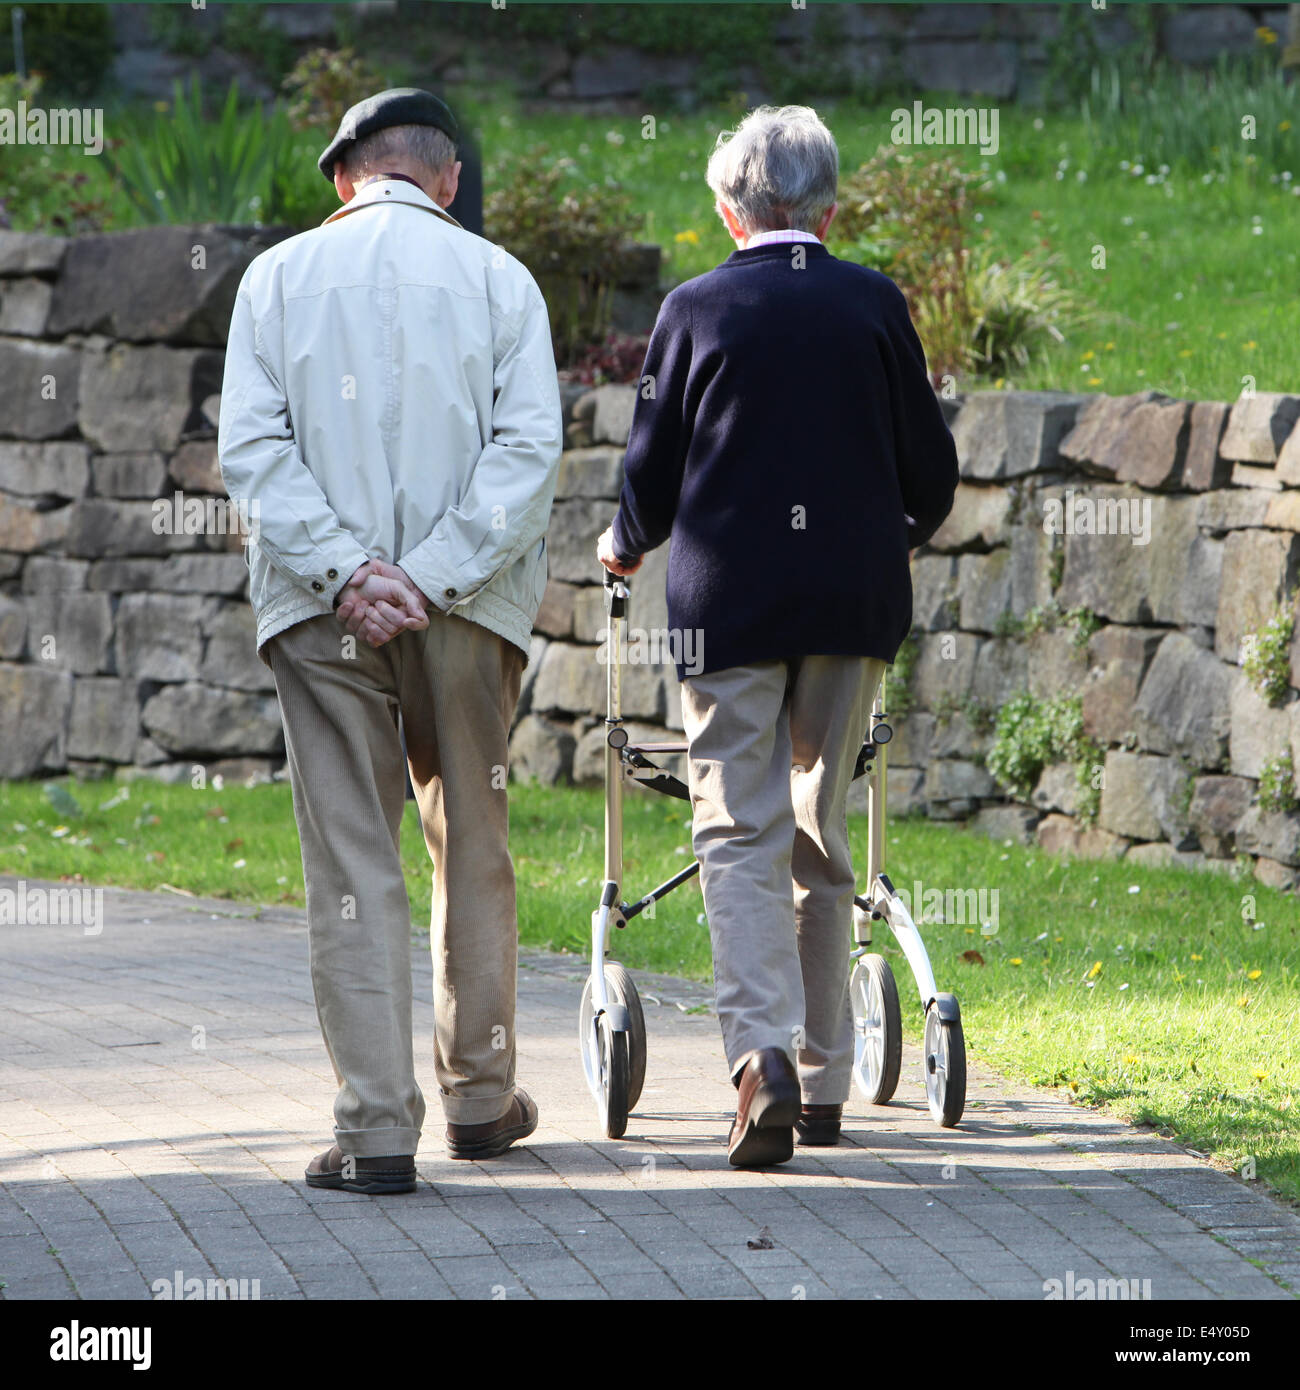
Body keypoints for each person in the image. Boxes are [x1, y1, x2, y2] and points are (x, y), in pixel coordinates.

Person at [597, 105, 958, 1168]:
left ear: (727, 214)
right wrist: (890, 536)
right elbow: (929, 475)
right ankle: (828, 1075)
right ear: (829, 211)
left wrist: (622, 545)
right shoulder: (874, 304)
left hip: (728, 610)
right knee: (820, 820)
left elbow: (652, 475)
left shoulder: (694, 307)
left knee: (735, 827)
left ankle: (761, 1062)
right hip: (851, 604)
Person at [219, 88, 562, 1194]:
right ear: (448, 179)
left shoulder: (274, 279)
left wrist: (346, 573)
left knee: (353, 862)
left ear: (342, 179)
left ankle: (374, 1130)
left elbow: (253, 451)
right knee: (473, 837)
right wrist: (427, 574)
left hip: (322, 616)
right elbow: (526, 453)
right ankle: (476, 1096)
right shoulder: (502, 280)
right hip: (465, 609)